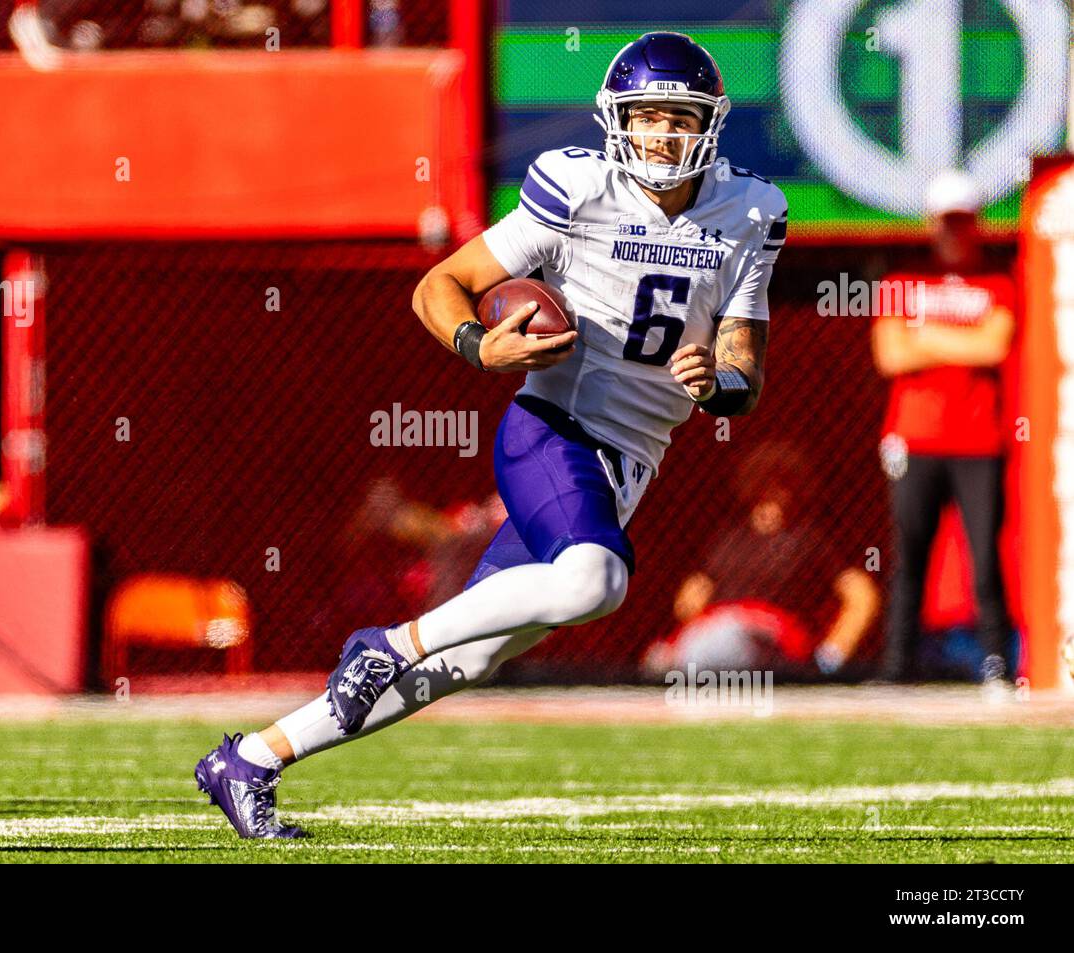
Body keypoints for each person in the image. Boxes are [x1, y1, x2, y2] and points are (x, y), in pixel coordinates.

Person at [194, 32, 788, 838]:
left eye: (677, 117)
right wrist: (480, 344)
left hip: (633, 459)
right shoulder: (578, 188)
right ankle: (389, 643)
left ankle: (253, 759)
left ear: (707, 126)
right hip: (554, 431)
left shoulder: (749, 211)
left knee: (470, 660)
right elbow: (442, 283)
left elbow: (742, 358)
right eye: (645, 117)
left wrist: (719, 383)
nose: (660, 135)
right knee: (594, 582)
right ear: (618, 122)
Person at [871, 170, 1015, 688]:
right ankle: (897, 668)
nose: (955, 231)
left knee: (984, 557)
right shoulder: (902, 281)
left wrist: (926, 337)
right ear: (932, 224)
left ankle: (998, 665)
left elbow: (995, 346)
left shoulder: (998, 281)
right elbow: (890, 355)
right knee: (910, 555)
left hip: (979, 441)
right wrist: (960, 340)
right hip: (915, 440)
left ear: (975, 223)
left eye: (964, 221)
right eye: (946, 221)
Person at [653, 443, 880, 677]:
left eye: (782, 488)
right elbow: (691, 598)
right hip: (718, 624)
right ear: (752, 491)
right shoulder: (729, 539)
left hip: (772, 633)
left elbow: (862, 596)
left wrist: (831, 654)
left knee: (723, 639)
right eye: (765, 488)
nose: (774, 496)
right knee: (660, 658)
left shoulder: (808, 539)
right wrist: (692, 606)